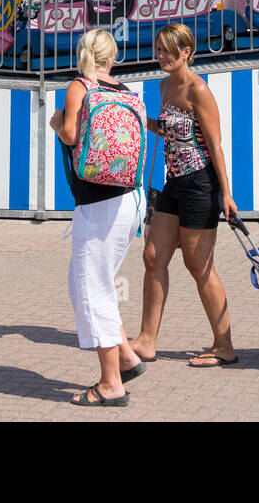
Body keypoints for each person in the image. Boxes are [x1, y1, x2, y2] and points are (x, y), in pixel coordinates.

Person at [50, 28, 147, 408]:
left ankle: (111, 385)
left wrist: (58, 122)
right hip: (129, 198)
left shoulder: (80, 87)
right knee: (87, 285)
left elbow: (71, 135)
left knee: (93, 291)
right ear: (113, 56)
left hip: (98, 203)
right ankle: (126, 357)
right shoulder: (124, 91)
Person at [132, 23, 238, 367]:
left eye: (168, 50)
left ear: (186, 52)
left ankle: (224, 346)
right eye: (158, 49)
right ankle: (147, 341)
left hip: (200, 184)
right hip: (173, 182)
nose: (161, 56)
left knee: (199, 264)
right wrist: (140, 119)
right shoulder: (164, 86)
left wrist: (226, 193)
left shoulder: (198, 89)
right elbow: (169, 129)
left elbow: (215, 144)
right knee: (152, 256)